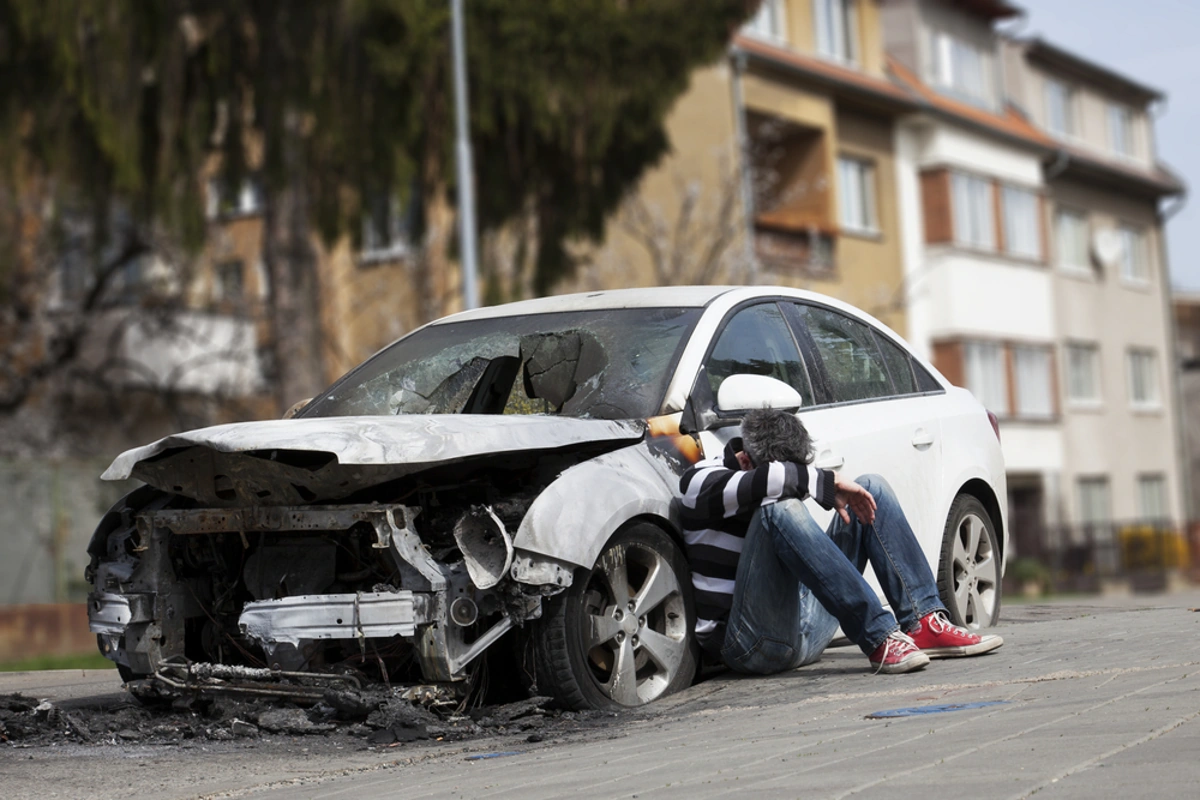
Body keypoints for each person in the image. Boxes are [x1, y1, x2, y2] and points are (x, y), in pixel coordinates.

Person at [679, 408, 1002, 675]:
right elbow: (774, 480)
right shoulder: (700, 481)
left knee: (872, 487)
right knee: (779, 510)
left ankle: (924, 622)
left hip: (806, 629)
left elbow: (784, 478)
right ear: (746, 461)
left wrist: (824, 482)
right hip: (751, 645)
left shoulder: (774, 477)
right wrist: (827, 483)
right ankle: (879, 637)